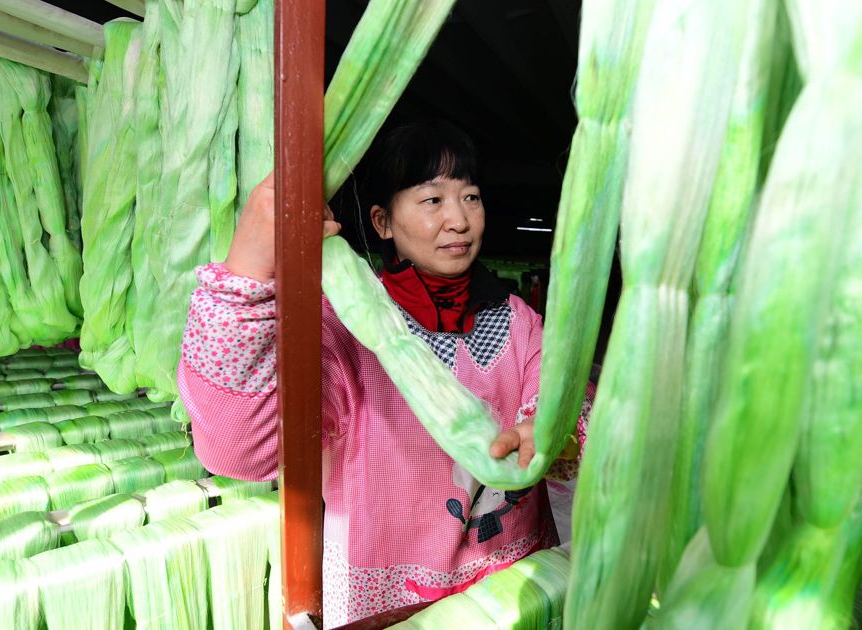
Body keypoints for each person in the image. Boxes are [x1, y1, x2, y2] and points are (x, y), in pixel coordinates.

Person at [177, 120, 590, 626]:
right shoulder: (342, 327)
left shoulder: (519, 320)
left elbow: (569, 396)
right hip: (394, 610)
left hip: (514, 597)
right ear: (382, 221)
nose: (459, 220)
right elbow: (238, 449)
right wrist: (245, 275)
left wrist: (549, 427)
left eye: (471, 197)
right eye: (432, 199)